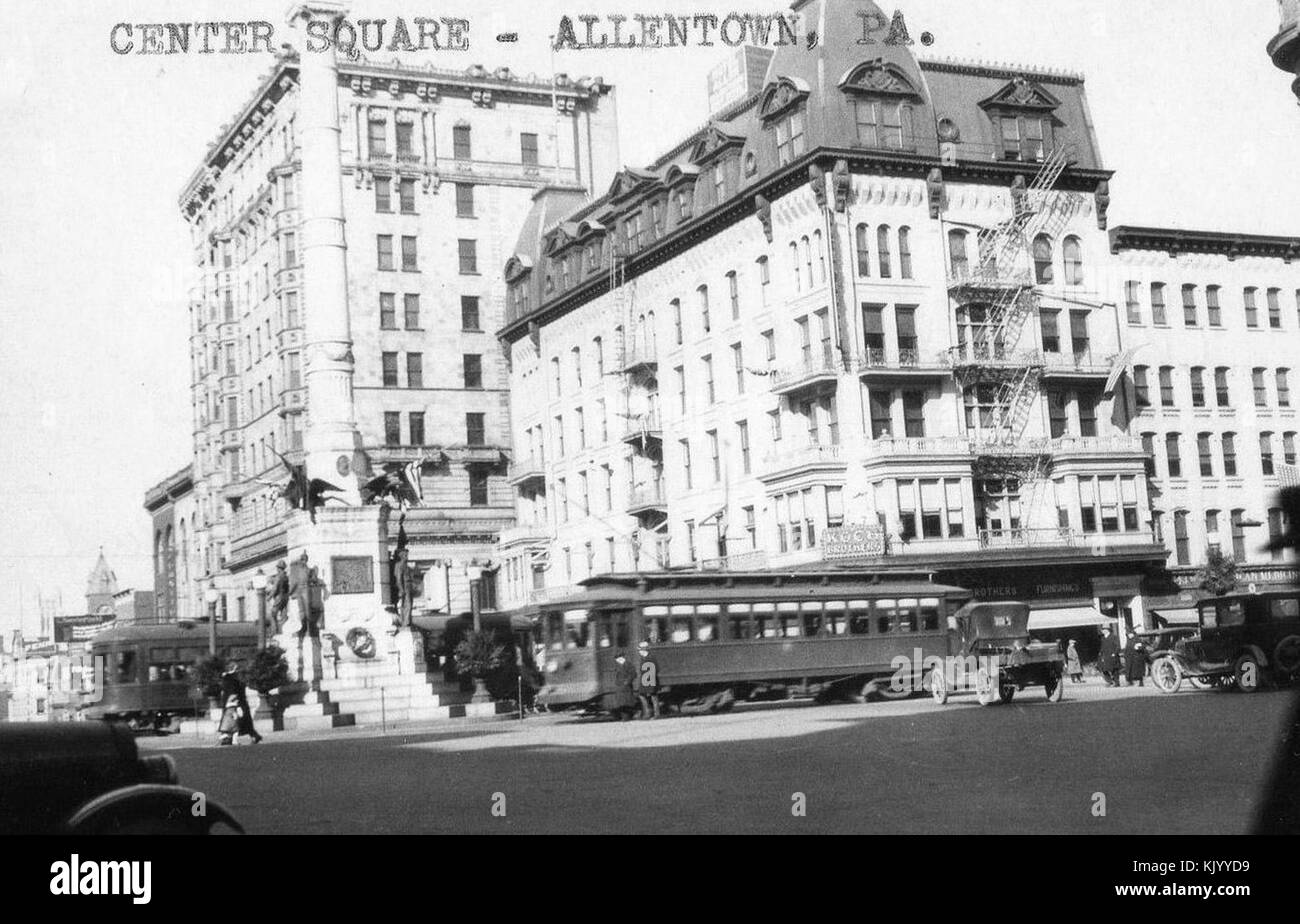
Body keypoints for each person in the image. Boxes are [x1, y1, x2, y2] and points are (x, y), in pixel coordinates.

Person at [217, 661, 262, 746]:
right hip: (240, 702)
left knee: (231, 722)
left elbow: (231, 692)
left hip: (232, 703)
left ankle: (227, 738)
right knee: (243, 722)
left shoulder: (228, 679)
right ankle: (253, 735)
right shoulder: (237, 678)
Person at [635, 641, 661, 720]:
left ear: (644, 650)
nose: (639, 652)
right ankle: (649, 713)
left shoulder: (650, 658)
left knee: (653, 697)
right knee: (644, 695)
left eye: (640, 650)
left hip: (650, 680)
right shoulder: (645, 658)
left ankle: (654, 714)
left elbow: (656, 669)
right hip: (645, 680)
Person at [611, 651, 637, 721]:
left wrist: (627, 682)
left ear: (621, 658)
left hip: (626, 687)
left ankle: (626, 717)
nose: (617, 660)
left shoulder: (628, 664)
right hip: (619, 686)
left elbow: (633, 674)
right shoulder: (618, 665)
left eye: (617, 658)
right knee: (621, 703)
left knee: (626, 703)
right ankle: (624, 717)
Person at [392, 548, 414, 630]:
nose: (407, 556)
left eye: (407, 554)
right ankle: (405, 622)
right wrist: (401, 589)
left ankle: (407, 621)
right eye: (405, 555)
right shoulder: (400, 565)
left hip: (408, 585)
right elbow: (398, 578)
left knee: (409, 605)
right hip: (404, 586)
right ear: (401, 556)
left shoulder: (406, 565)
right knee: (406, 605)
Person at [268, 560, 290, 633]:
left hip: (279, 597)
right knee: (284, 615)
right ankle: (284, 630)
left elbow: (275, 589)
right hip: (285, 598)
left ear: (278, 568)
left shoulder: (278, 577)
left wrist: (269, 597)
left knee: (273, 614)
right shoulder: (286, 577)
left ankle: (274, 631)